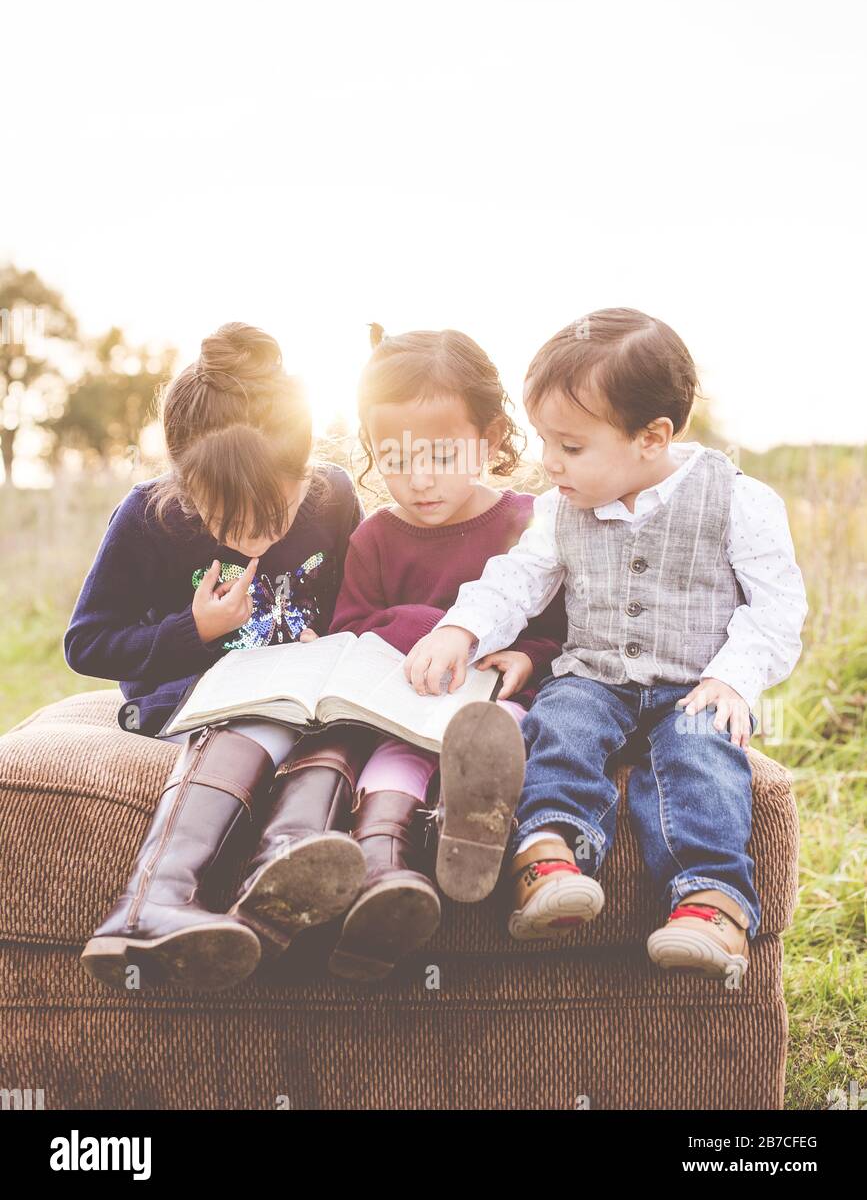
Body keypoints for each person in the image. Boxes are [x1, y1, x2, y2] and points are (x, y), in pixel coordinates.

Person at [404, 308, 808, 981]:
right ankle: (548, 857)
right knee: (558, 724)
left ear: (650, 437)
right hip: (595, 676)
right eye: (542, 440)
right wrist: (461, 627)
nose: (547, 461)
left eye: (569, 445)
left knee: (700, 757)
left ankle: (711, 905)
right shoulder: (558, 508)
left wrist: (733, 679)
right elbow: (516, 581)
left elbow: (776, 609)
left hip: (696, 679)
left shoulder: (736, 500)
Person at [65, 322, 364, 990]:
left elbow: (358, 599)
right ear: (185, 481)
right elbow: (86, 642)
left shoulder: (332, 498)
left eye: (275, 511)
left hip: (299, 697)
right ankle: (153, 904)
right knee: (258, 721)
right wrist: (190, 632)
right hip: (187, 698)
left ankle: (285, 876)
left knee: (346, 732)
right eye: (228, 516)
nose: (256, 534)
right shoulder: (150, 516)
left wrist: (337, 643)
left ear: (305, 474)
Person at [310, 323, 566, 981]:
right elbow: (353, 627)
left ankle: (468, 832)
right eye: (394, 459)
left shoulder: (525, 523)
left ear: (489, 439)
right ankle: (380, 859)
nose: (418, 479)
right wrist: (432, 627)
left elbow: (558, 625)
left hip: (489, 705)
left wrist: (527, 657)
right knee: (393, 757)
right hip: (403, 706)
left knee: (493, 734)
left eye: (442, 456)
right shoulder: (375, 538)